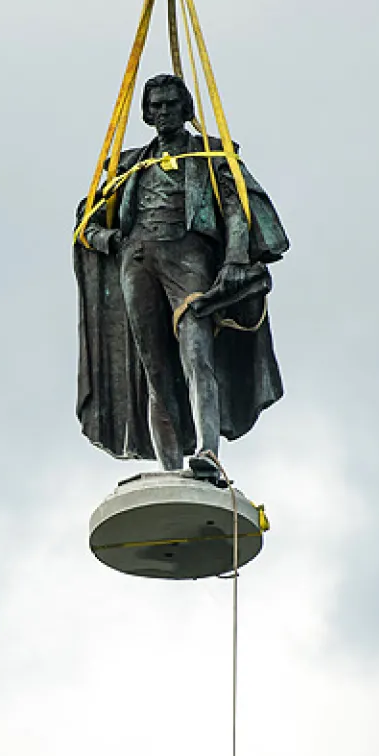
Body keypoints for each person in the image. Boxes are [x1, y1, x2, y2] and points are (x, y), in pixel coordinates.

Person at [74, 74, 289, 479]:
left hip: (189, 254)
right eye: (155, 106)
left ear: (187, 108)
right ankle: (170, 469)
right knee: (153, 369)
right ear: (146, 112)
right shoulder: (131, 163)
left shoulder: (208, 154)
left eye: (171, 104)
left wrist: (234, 261)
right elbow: (85, 222)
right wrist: (111, 238)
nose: (163, 112)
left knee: (196, 353)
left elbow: (236, 208)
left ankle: (208, 452)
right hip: (137, 258)